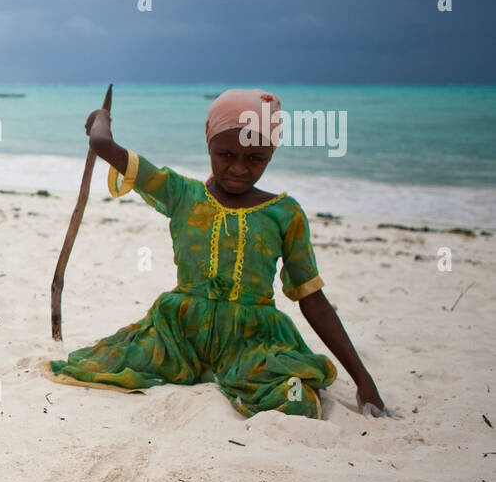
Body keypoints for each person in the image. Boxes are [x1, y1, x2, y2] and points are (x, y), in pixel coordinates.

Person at [42, 88, 390, 419]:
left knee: (295, 399)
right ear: (208, 139)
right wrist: (100, 119)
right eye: (226, 155)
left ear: (272, 153)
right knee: (108, 365)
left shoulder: (285, 214)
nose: (239, 168)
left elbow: (311, 297)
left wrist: (364, 381)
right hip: (179, 335)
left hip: (253, 340)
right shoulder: (182, 194)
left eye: (255, 158)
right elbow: (102, 144)